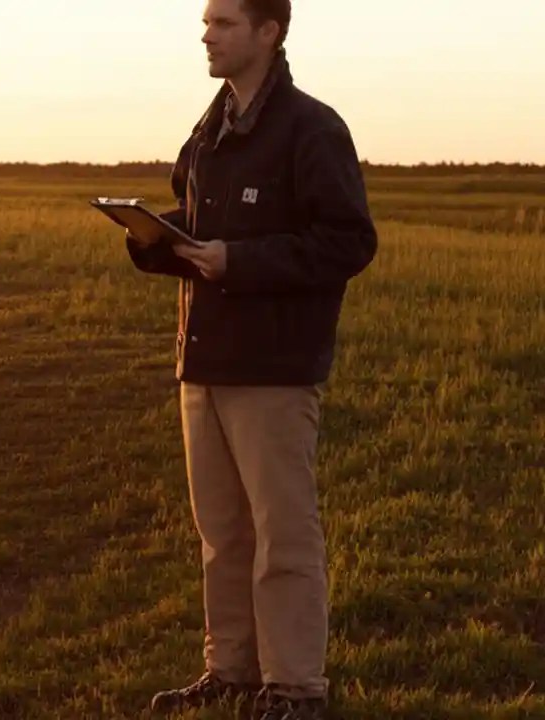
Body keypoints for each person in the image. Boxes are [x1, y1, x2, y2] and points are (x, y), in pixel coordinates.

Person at [126, 1, 377, 718]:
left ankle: (296, 689)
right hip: (202, 361)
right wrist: (152, 239)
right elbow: (199, 227)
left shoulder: (313, 129)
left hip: (273, 368)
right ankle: (231, 671)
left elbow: (348, 242)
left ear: (269, 32)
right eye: (207, 22)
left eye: (223, 22)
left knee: (283, 535)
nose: (206, 34)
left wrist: (240, 261)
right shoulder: (209, 131)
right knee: (222, 535)